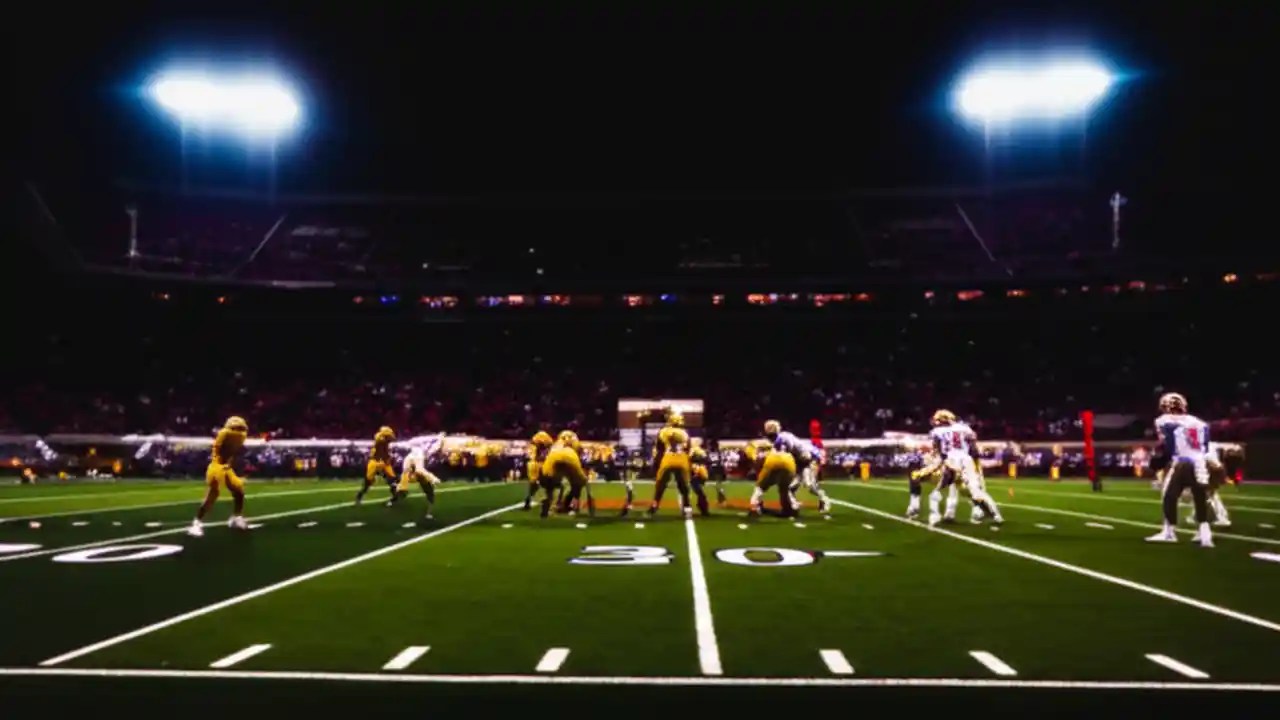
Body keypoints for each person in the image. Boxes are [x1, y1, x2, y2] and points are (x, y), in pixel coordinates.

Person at [1146, 393, 1214, 547]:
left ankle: (1169, 532)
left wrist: (1160, 462)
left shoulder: (1163, 421)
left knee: (1169, 496)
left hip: (1182, 462)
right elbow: (1205, 446)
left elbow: (1168, 444)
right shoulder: (1200, 423)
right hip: (1200, 462)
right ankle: (1205, 534)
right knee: (1200, 498)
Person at [188, 416, 250, 537]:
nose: (239, 432)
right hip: (217, 466)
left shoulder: (235, 437)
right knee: (212, 494)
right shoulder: (224, 434)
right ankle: (196, 523)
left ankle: (236, 517)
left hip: (226, 467)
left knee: (239, 492)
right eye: (237, 428)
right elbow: (227, 441)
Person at [763, 419, 830, 514]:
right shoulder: (779, 441)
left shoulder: (784, 438)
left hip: (809, 459)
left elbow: (790, 454)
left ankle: (824, 499)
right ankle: (794, 505)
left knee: (809, 485)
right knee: (790, 488)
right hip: (799, 462)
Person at [391, 433, 444, 519]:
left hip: (419, 469)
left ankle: (428, 512)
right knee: (407, 476)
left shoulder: (424, 450)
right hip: (416, 466)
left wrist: (440, 438)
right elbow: (417, 469)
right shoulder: (418, 450)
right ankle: (399, 491)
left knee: (429, 492)